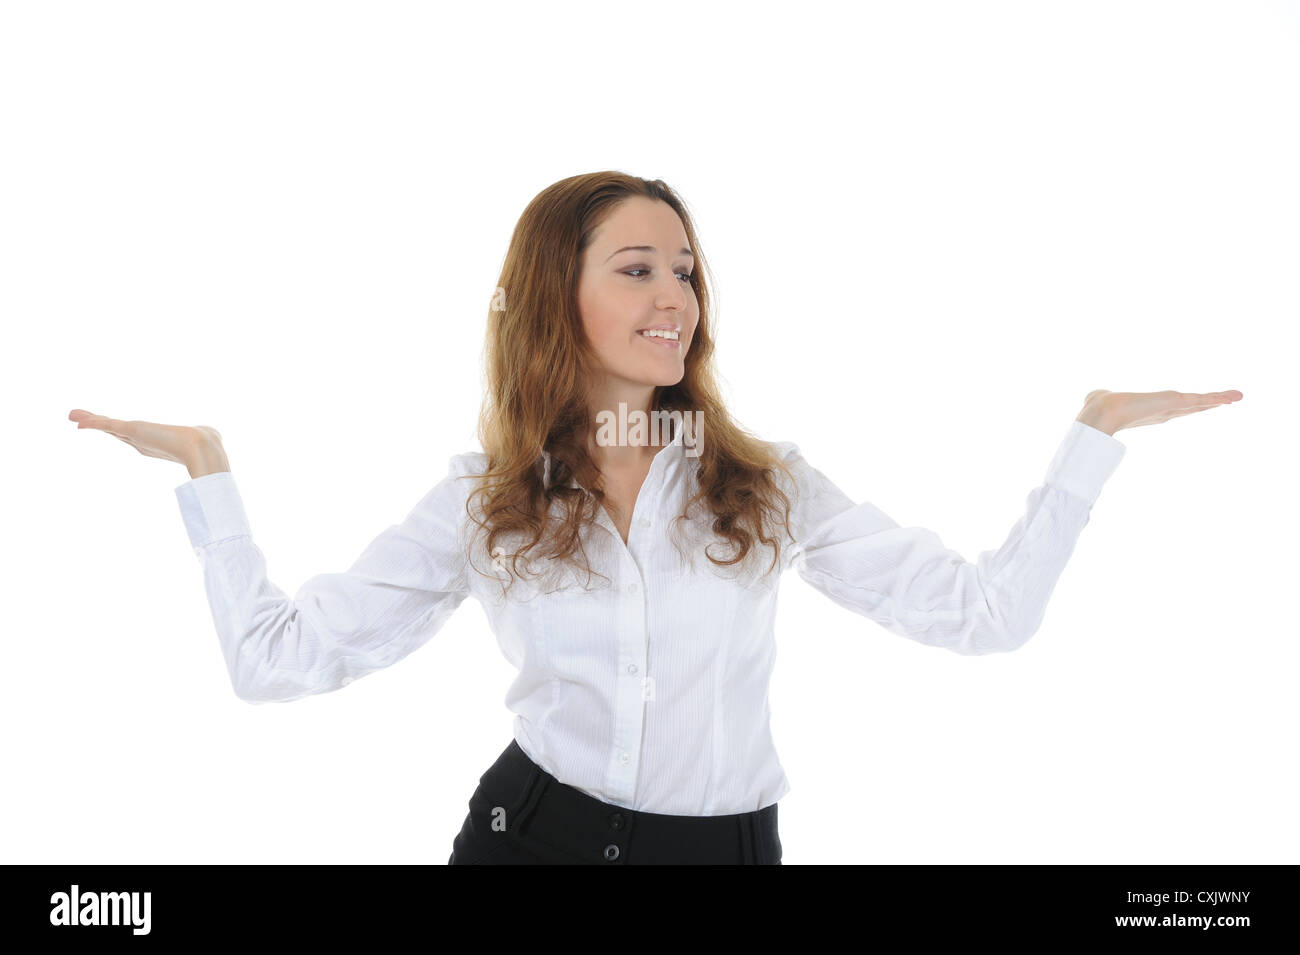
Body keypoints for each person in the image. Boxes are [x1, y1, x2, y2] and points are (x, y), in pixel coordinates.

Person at [68, 171, 1243, 864]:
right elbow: (274, 664)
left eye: (685, 270)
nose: (676, 296)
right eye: (637, 268)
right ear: (554, 295)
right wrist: (208, 475)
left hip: (724, 852)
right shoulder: (484, 501)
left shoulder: (765, 483)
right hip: (531, 834)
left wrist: (1092, 440)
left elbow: (984, 619)